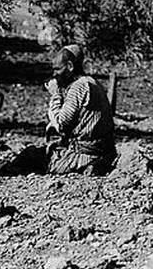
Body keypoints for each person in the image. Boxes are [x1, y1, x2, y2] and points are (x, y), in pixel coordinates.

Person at [42, 45, 116, 175]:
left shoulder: (78, 87)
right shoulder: (92, 82)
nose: (54, 74)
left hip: (86, 153)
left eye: (58, 69)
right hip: (103, 149)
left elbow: (61, 124)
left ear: (70, 66)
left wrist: (55, 95)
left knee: (35, 159)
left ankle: (85, 165)